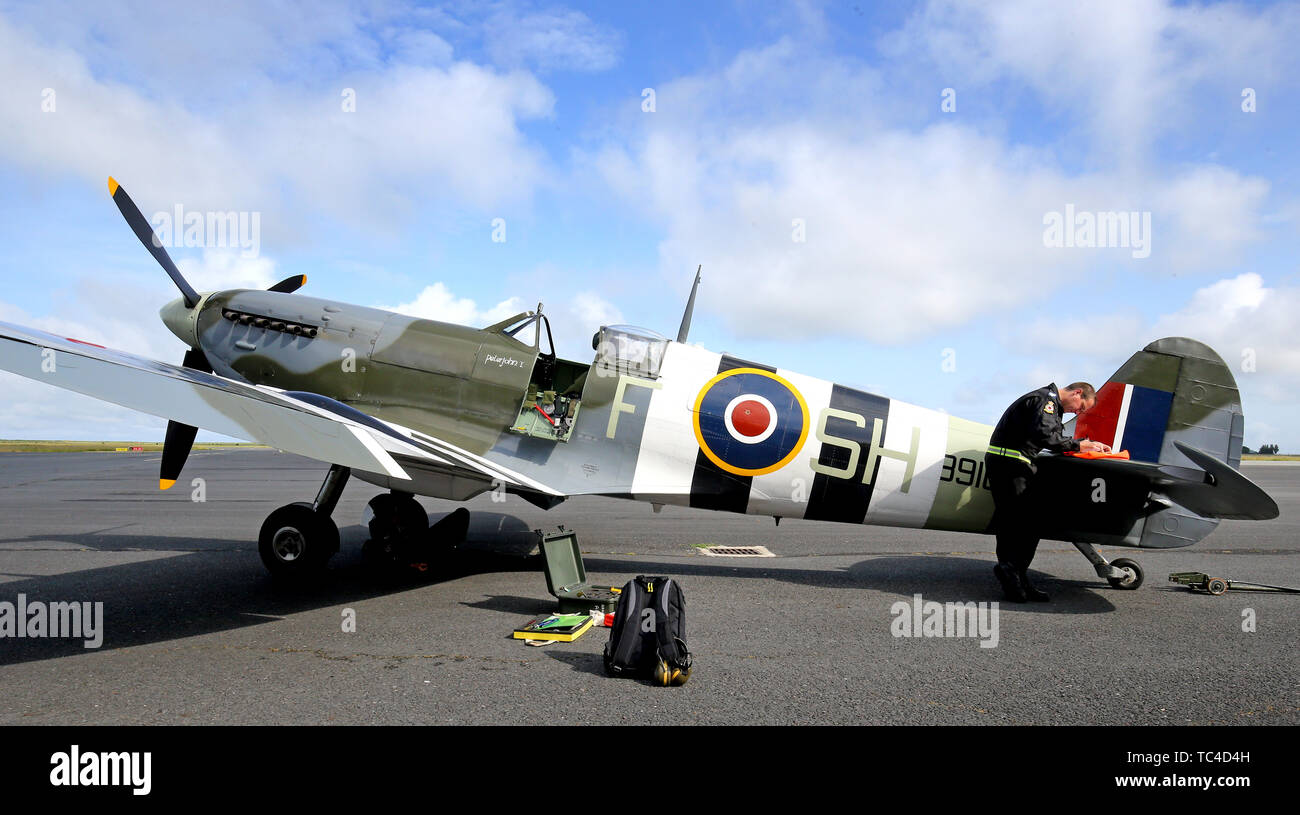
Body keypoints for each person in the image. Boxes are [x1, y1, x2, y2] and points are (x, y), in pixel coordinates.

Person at [985, 382, 1110, 602]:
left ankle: (1017, 577)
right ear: (1077, 392)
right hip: (1011, 464)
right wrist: (1080, 446)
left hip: (1011, 463)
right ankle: (1010, 572)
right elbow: (1046, 435)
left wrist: (1083, 444)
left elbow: (1048, 435)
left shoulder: (1047, 402)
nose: (1078, 412)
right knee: (1021, 521)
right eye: (1081, 407)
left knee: (1021, 521)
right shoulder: (1047, 402)